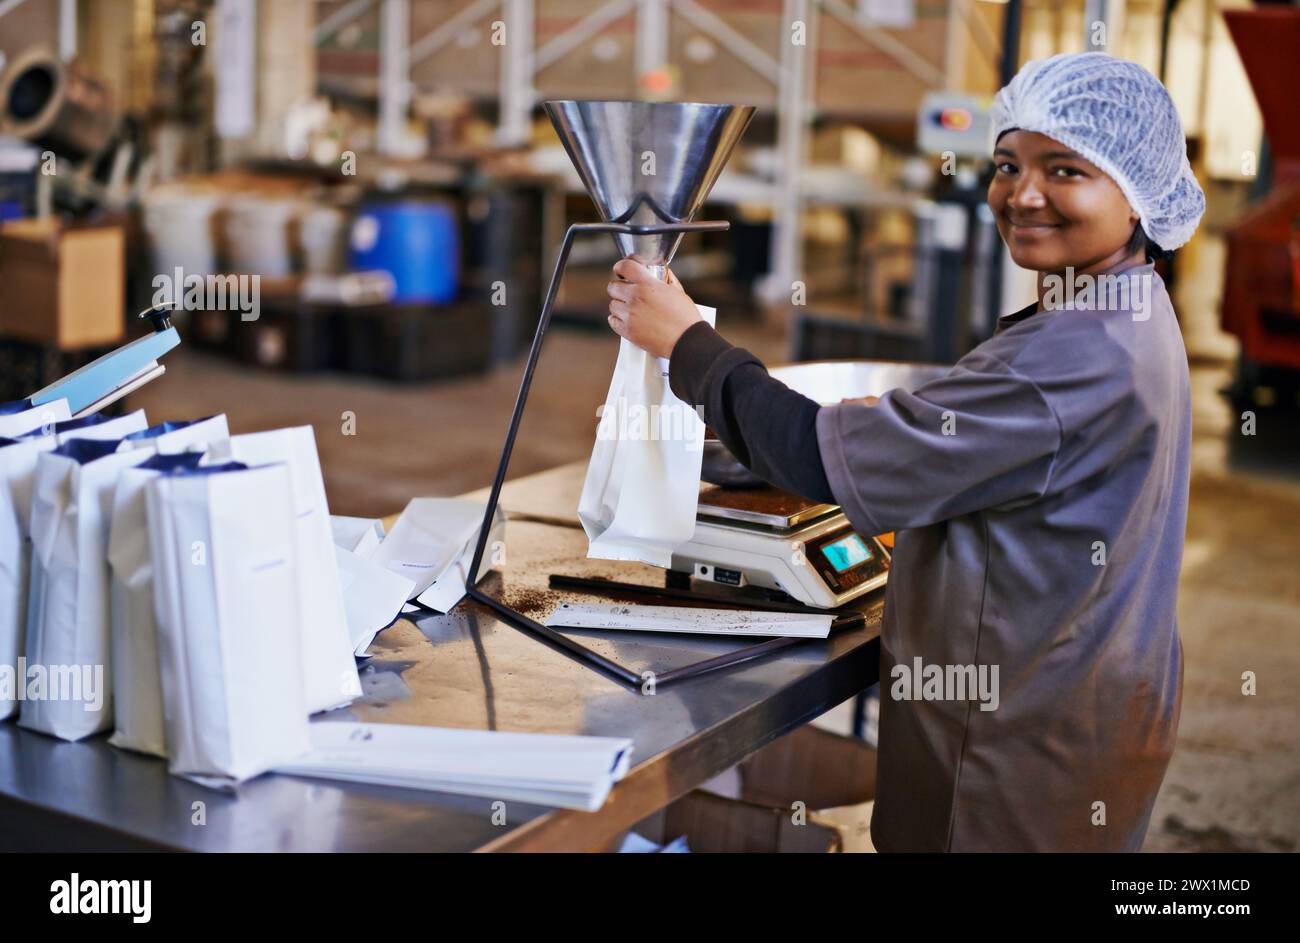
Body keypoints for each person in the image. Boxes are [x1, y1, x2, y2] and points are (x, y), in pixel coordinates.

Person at [604, 52, 1206, 852]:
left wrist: (688, 346)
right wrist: (908, 426)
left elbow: (818, 461)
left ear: (1138, 195)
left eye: (1064, 170)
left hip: (1015, 757)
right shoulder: (1128, 310)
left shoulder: (1073, 355)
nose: (1022, 194)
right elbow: (1014, 445)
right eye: (1006, 164)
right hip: (1090, 712)